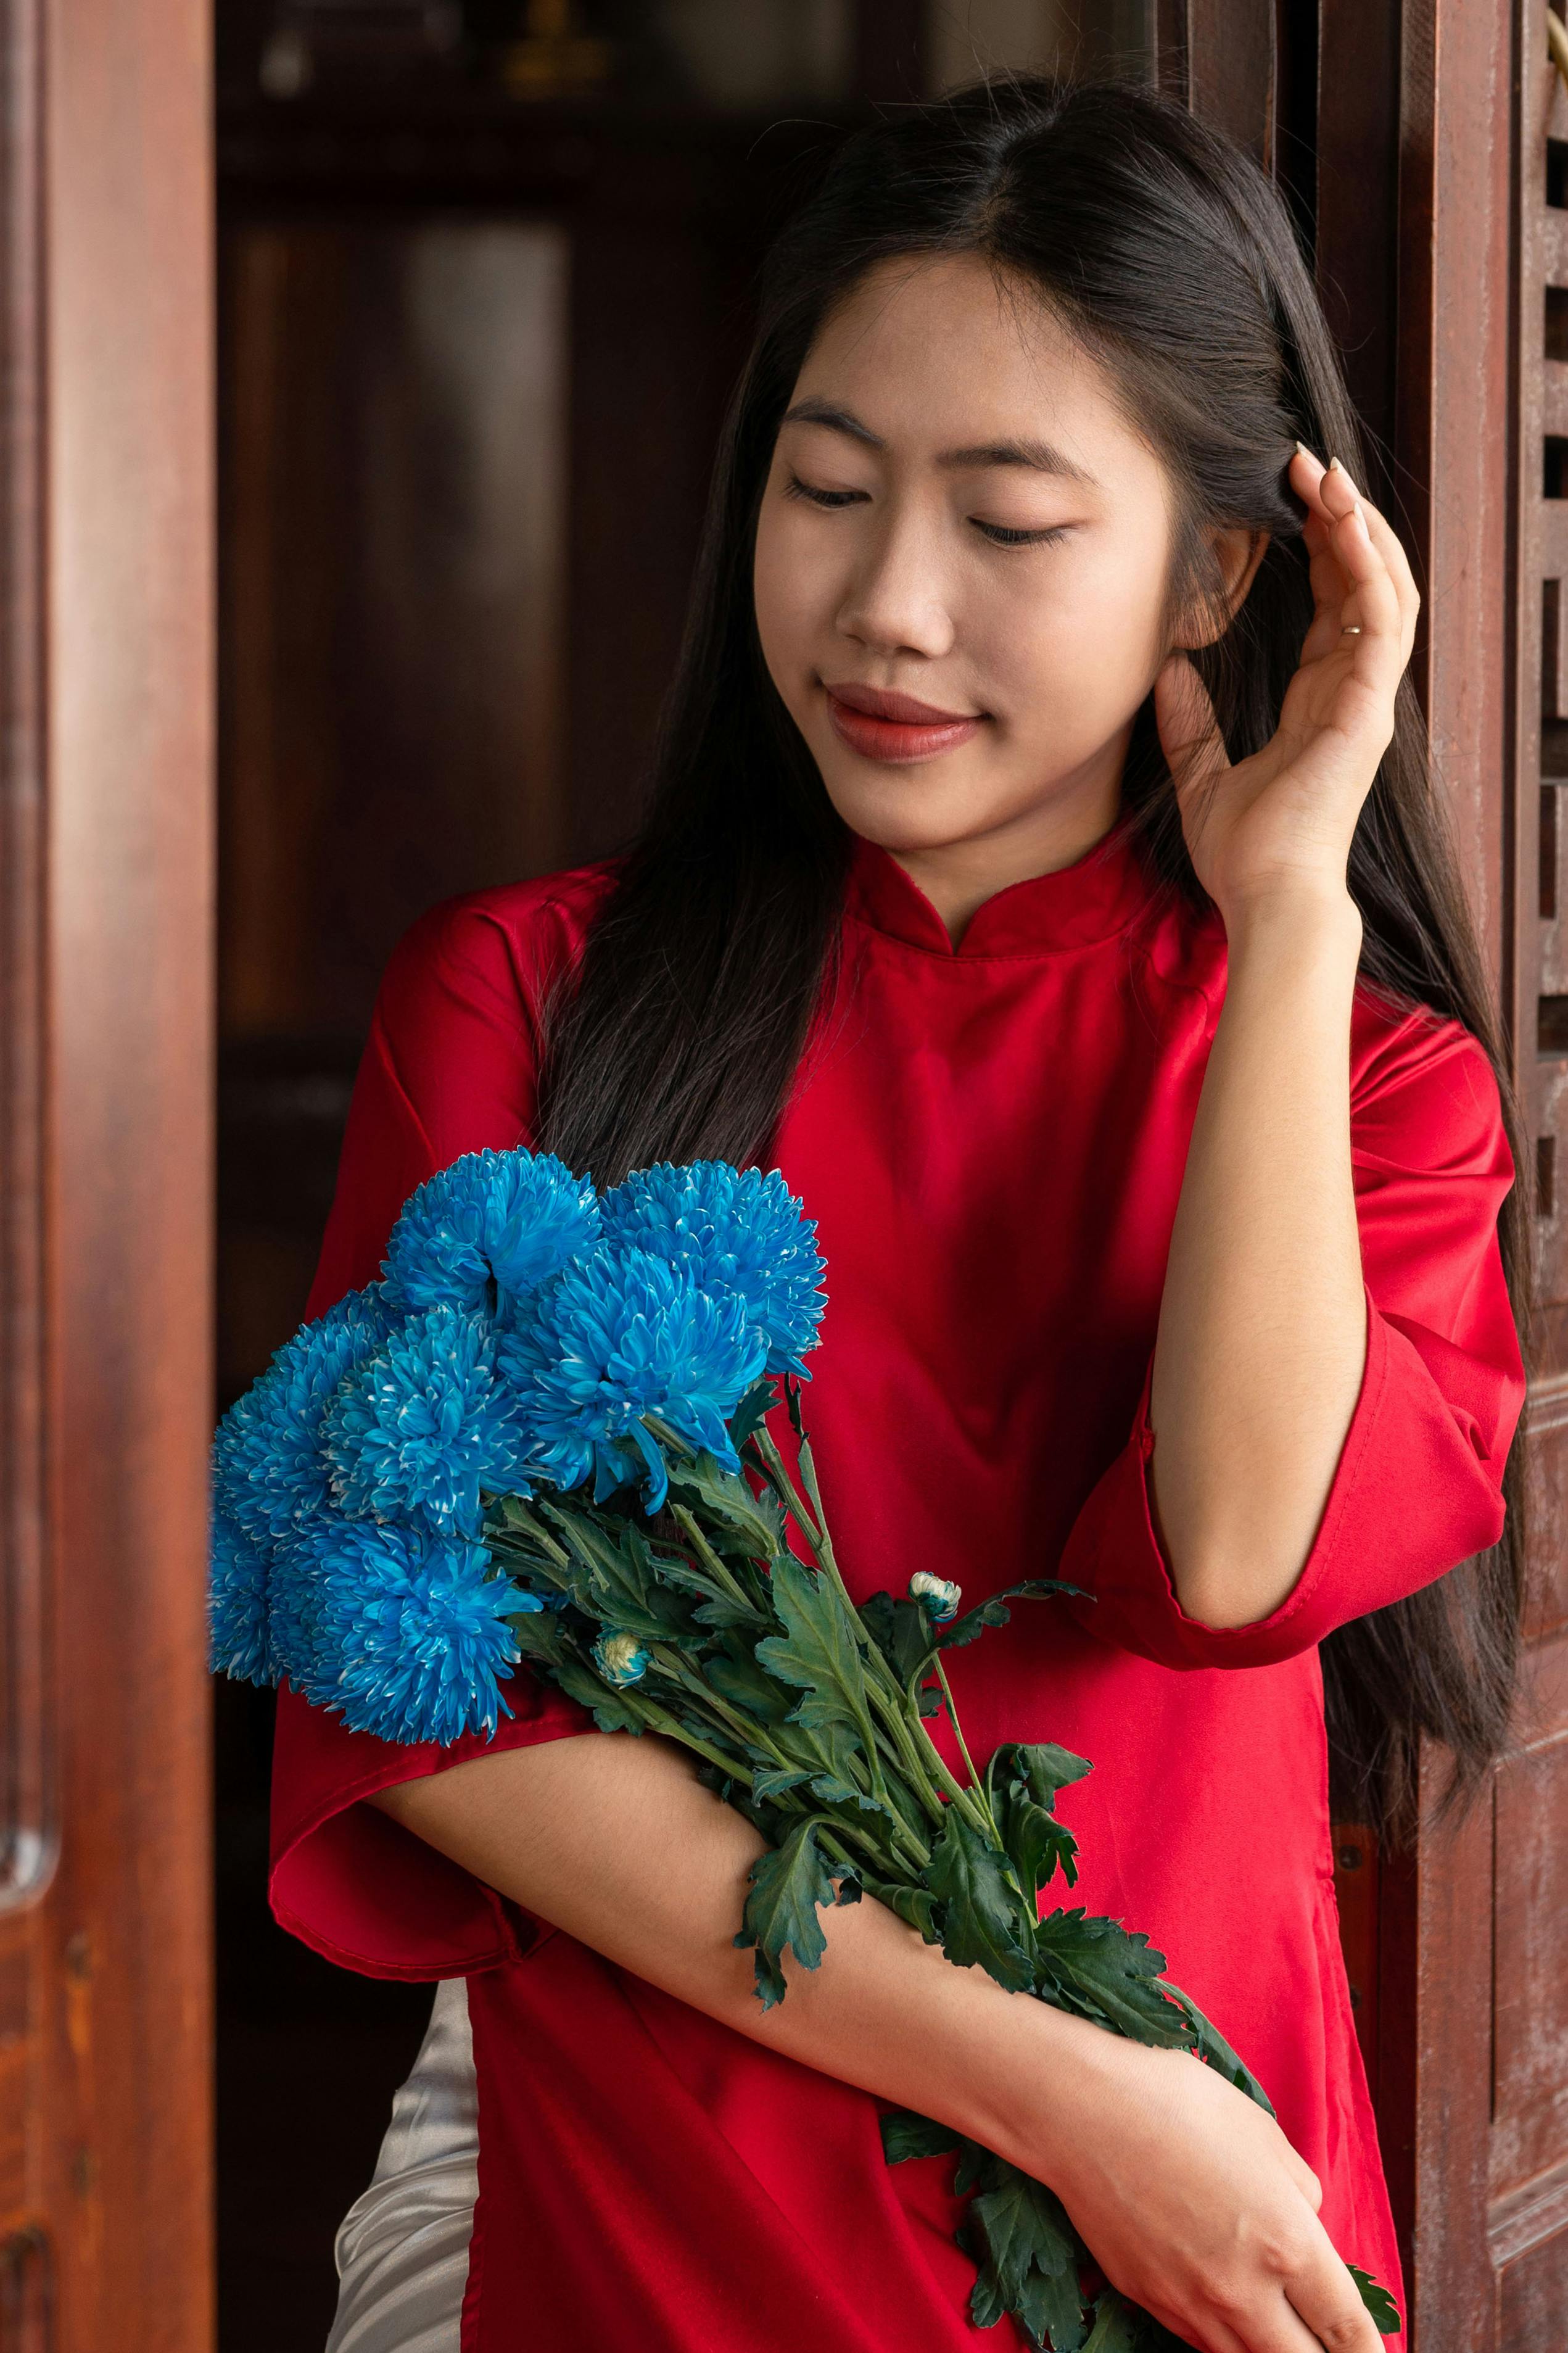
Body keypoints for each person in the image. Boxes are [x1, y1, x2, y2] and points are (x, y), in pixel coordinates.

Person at [270, 72, 1529, 2353]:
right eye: (825, 488)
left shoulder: (1368, 1085)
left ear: (1221, 567)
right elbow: (436, 1711)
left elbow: (1238, 1556)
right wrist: (1073, 2101)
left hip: (1190, 2275)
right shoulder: (528, 1003)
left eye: (1009, 521)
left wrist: (1293, 916)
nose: (886, 605)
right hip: (692, 2254)